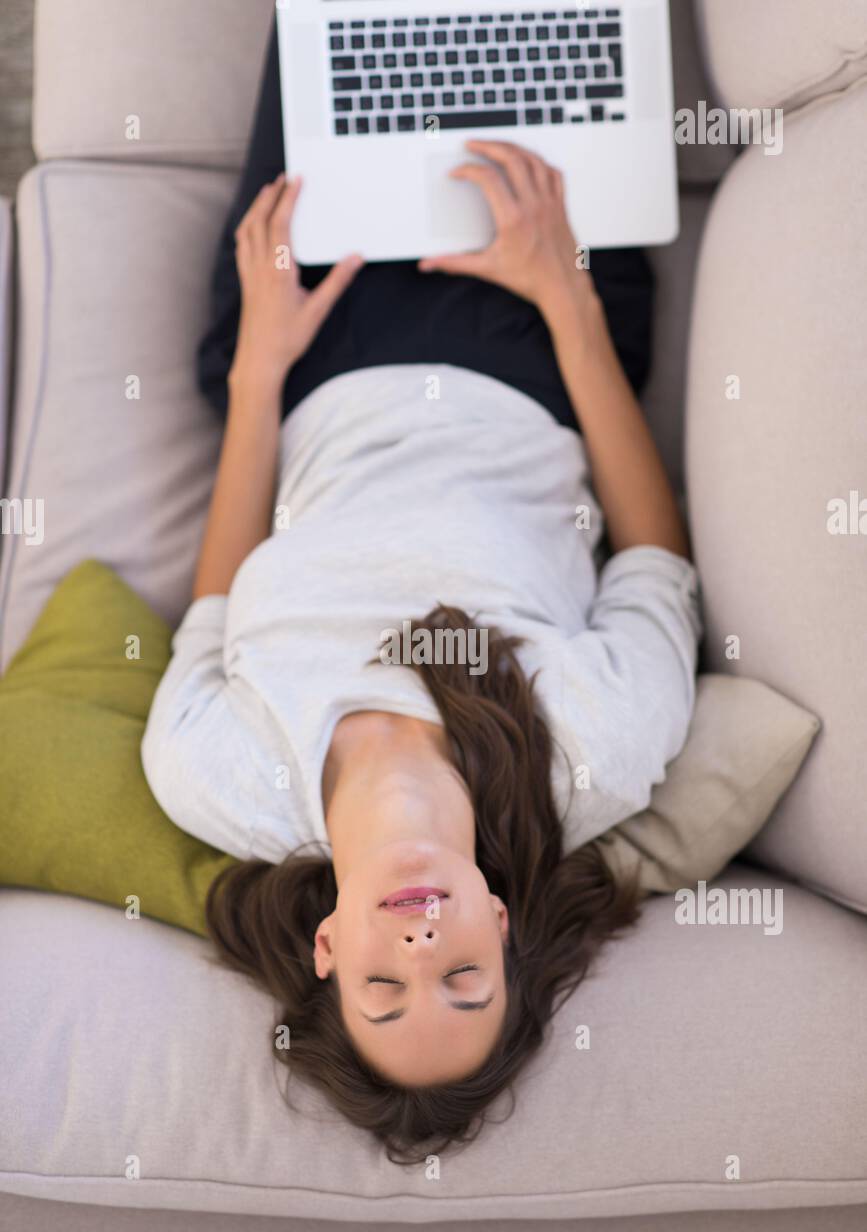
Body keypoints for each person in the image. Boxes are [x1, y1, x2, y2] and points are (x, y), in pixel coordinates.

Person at [142, 23, 701, 1164]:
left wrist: (258, 368)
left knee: (354, 23)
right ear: (503, 927)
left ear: (330, 950)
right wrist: (567, 297)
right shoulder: (591, 754)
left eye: (390, 992)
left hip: (309, 349)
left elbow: (211, 600)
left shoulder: (218, 780)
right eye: (464, 977)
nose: (424, 943)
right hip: (532, 342)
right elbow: (655, 559)